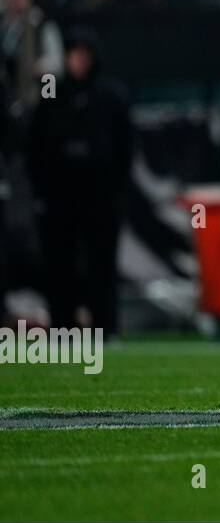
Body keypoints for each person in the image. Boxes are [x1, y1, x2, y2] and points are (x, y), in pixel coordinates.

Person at [26, 27, 132, 336]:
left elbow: (125, 146)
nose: (79, 63)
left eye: (85, 56)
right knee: (60, 261)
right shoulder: (53, 93)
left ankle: (105, 327)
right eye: (74, 55)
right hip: (60, 194)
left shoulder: (111, 95)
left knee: (102, 262)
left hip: (100, 195)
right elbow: (36, 144)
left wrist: (117, 190)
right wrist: (41, 190)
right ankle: (61, 323)